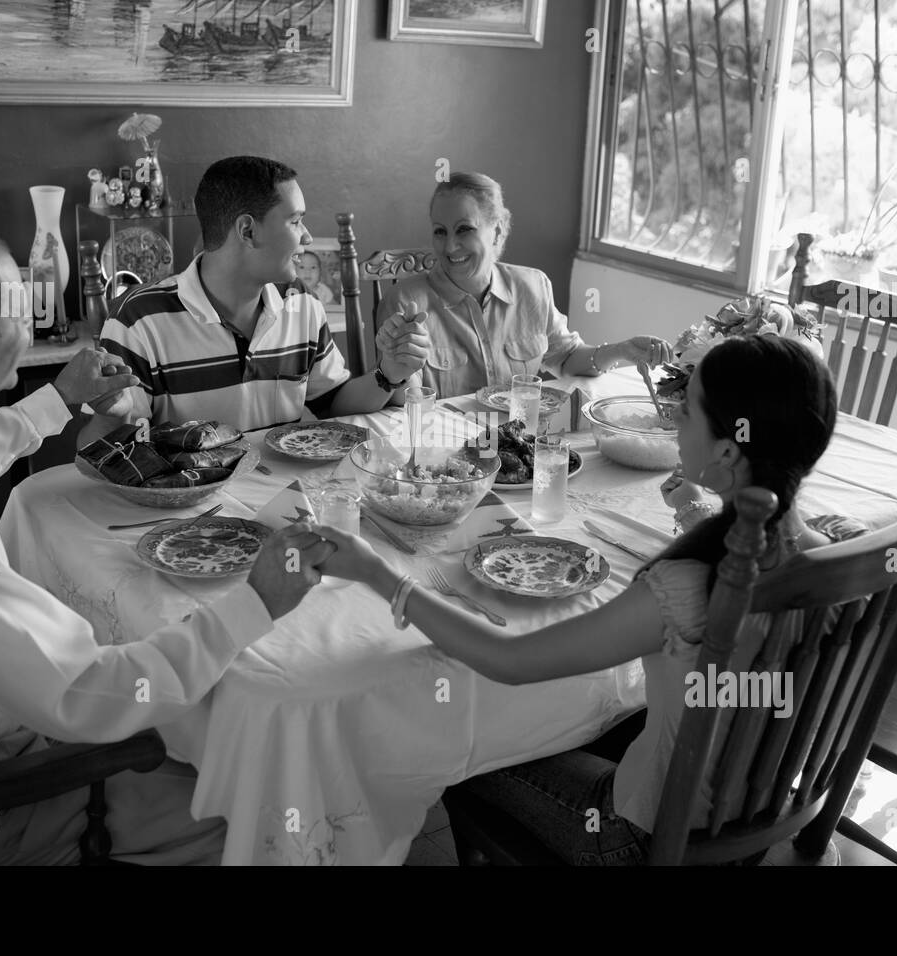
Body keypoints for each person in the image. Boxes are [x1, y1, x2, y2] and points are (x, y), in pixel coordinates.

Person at [0, 222, 334, 865]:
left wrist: (58, 398)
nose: (36, 318)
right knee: (263, 813)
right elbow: (86, 693)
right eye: (22, 307)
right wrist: (256, 602)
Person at [311, 335, 841, 865]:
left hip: (638, 836)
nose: (673, 415)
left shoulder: (687, 586)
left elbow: (509, 661)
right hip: (757, 808)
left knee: (459, 745)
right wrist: (697, 513)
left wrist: (379, 575)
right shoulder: (835, 557)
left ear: (728, 449)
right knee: (594, 713)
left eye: (688, 405)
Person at [80, 157, 428, 446]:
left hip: (284, 501)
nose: (306, 236)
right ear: (247, 231)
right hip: (191, 515)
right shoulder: (138, 320)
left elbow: (333, 403)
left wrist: (390, 373)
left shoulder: (301, 303)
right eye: (295, 221)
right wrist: (111, 418)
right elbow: (100, 451)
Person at [375, 172, 673, 400]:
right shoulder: (405, 302)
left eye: (464, 229)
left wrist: (622, 350)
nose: (450, 246)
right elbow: (404, 402)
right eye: (440, 232)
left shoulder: (534, 286)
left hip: (518, 443)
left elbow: (568, 358)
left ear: (498, 231)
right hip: (445, 451)